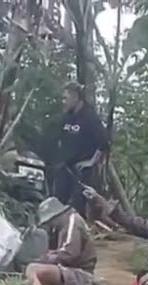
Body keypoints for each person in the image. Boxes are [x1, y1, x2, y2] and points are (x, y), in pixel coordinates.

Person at [53, 82, 108, 216]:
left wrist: (91, 161)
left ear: (76, 98)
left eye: (66, 98)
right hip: (65, 167)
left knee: (77, 207)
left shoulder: (89, 117)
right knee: (57, 202)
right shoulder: (67, 116)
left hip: (81, 171)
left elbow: (104, 142)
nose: (63, 102)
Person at [24, 197, 97, 285]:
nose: (51, 224)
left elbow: (70, 254)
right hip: (69, 271)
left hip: (80, 274)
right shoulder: (62, 225)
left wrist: (48, 259)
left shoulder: (73, 222)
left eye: (51, 221)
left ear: (57, 216)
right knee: (32, 275)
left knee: (32, 269)